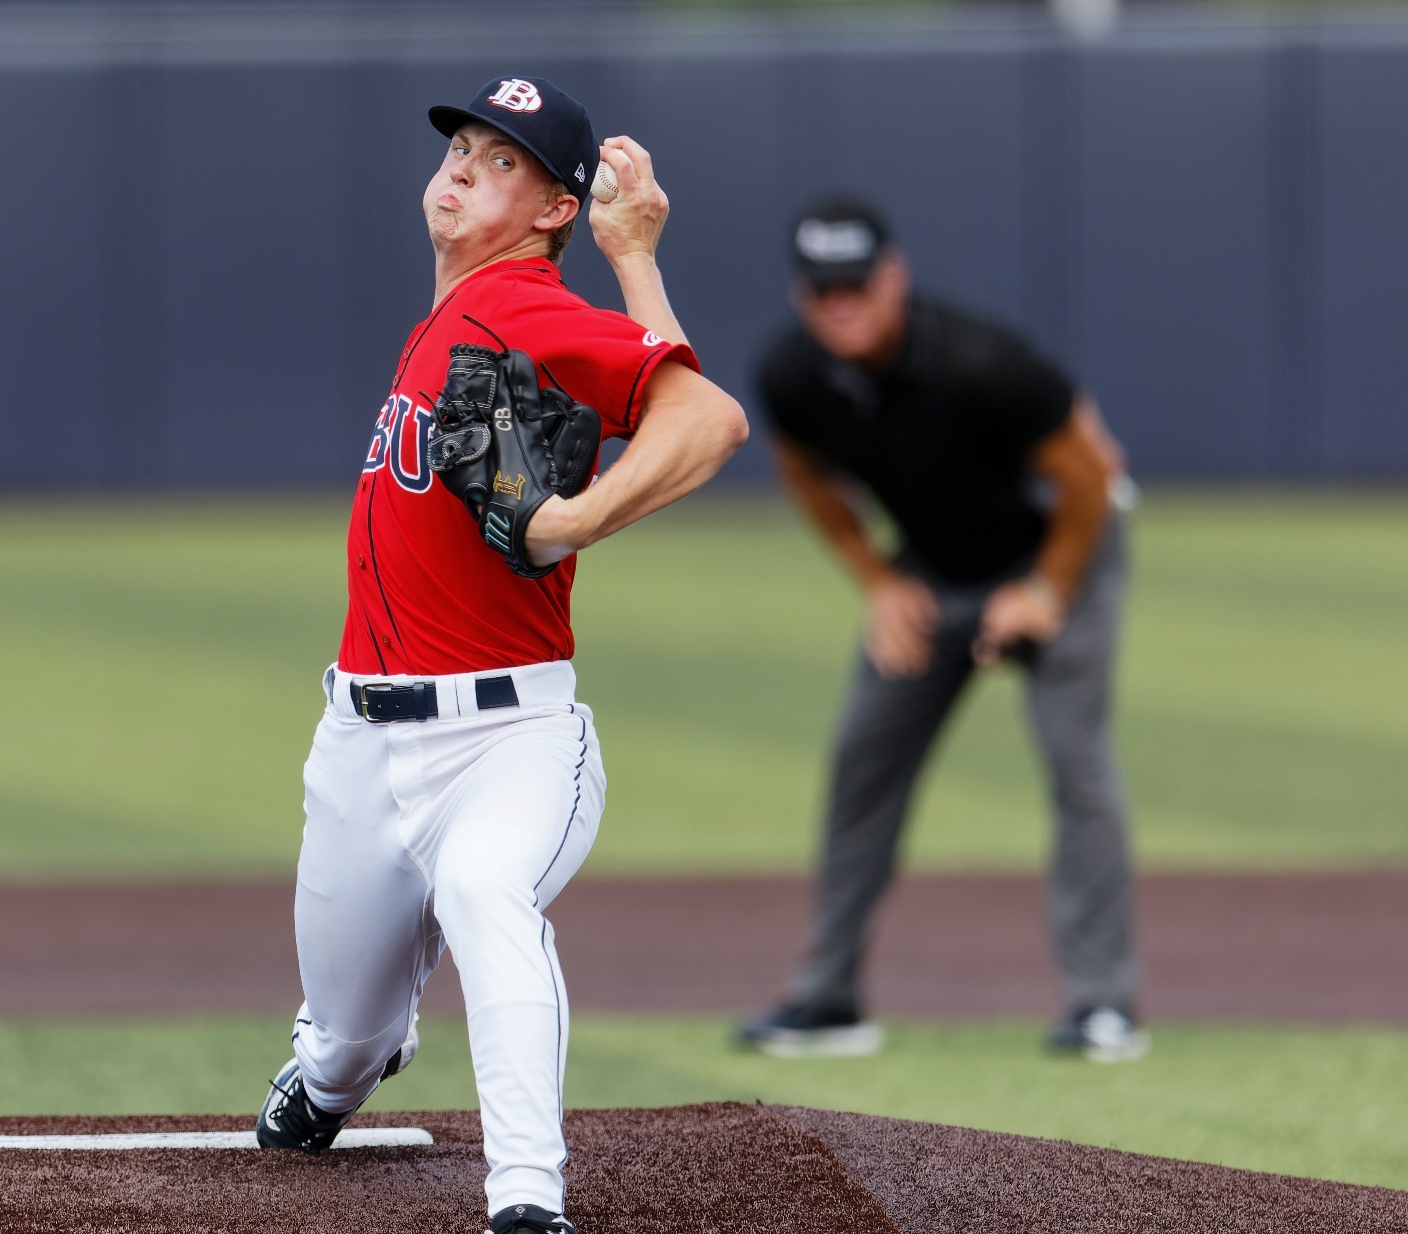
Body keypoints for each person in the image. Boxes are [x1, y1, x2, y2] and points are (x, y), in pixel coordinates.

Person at [254, 77, 749, 1233]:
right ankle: (339, 1069)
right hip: (358, 746)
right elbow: (649, 373)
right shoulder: (456, 313)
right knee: (343, 1043)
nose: (465, 166)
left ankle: (526, 1199)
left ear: (550, 211)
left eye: (504, 159)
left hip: (506, 738)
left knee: (485, 893)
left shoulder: (518, 308)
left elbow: (703, 418)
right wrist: (633, 259)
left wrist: (571, 521)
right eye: (462, 146)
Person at [737, 198, 1146, 1063]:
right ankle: (827, 999)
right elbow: (806, 476)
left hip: (1059, 556)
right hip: (933, 570)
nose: (840, 304)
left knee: (1077, 765)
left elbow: (1088, 477)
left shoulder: (983, 362)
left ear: (894, 279)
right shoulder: (791, 374)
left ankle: (1102, 1006)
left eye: (855, 285)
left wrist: (1042, 591)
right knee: (862, 760)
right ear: (798, 294)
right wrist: (878, 581)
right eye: (822, 291)